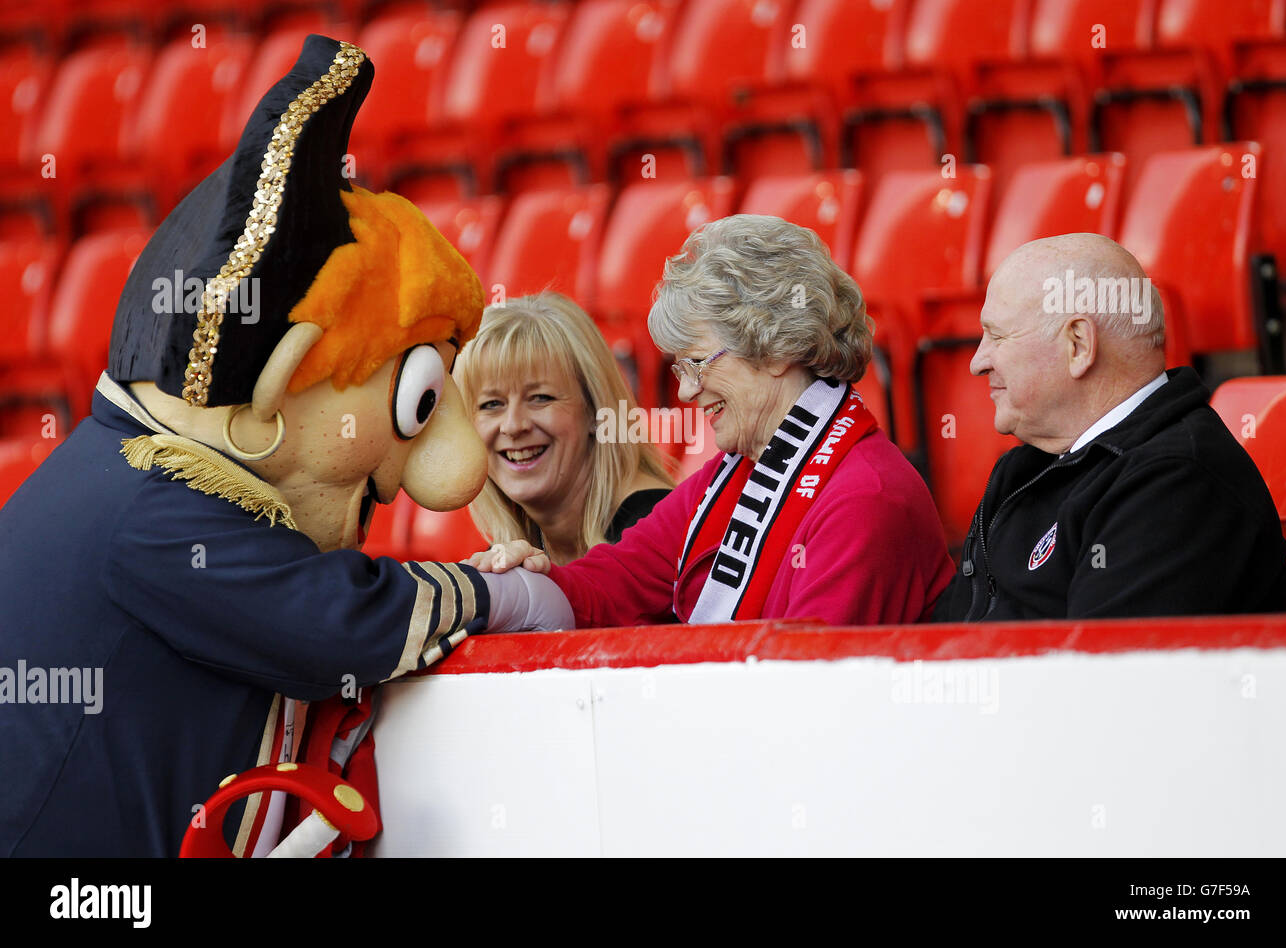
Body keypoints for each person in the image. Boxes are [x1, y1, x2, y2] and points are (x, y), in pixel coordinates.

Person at [0, 35, 569, 857]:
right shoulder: (152, 510)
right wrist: (502, 599)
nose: (452, 468)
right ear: (279, 390)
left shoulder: (123, 472)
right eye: (417, 402)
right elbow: (338, 621)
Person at [470, 214, 954, 626]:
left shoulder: (864, 498)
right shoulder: (729, 477)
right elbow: (611, 586)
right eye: (679, 370)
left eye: (698, 363)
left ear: (777, 347)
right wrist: (524, 580)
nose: (685, 390)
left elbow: (806, 701)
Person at [932, 233, 1286, 621]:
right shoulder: (1022, 471)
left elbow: (1103, 676)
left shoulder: (1177, 482)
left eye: (997, 337)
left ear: (1079, 345)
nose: (977, 362)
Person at [455, 292, 675, 565]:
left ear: (595, 410)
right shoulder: (516, 548)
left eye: (540, 398)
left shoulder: (655, 529)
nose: (513, 425)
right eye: (491, 404)